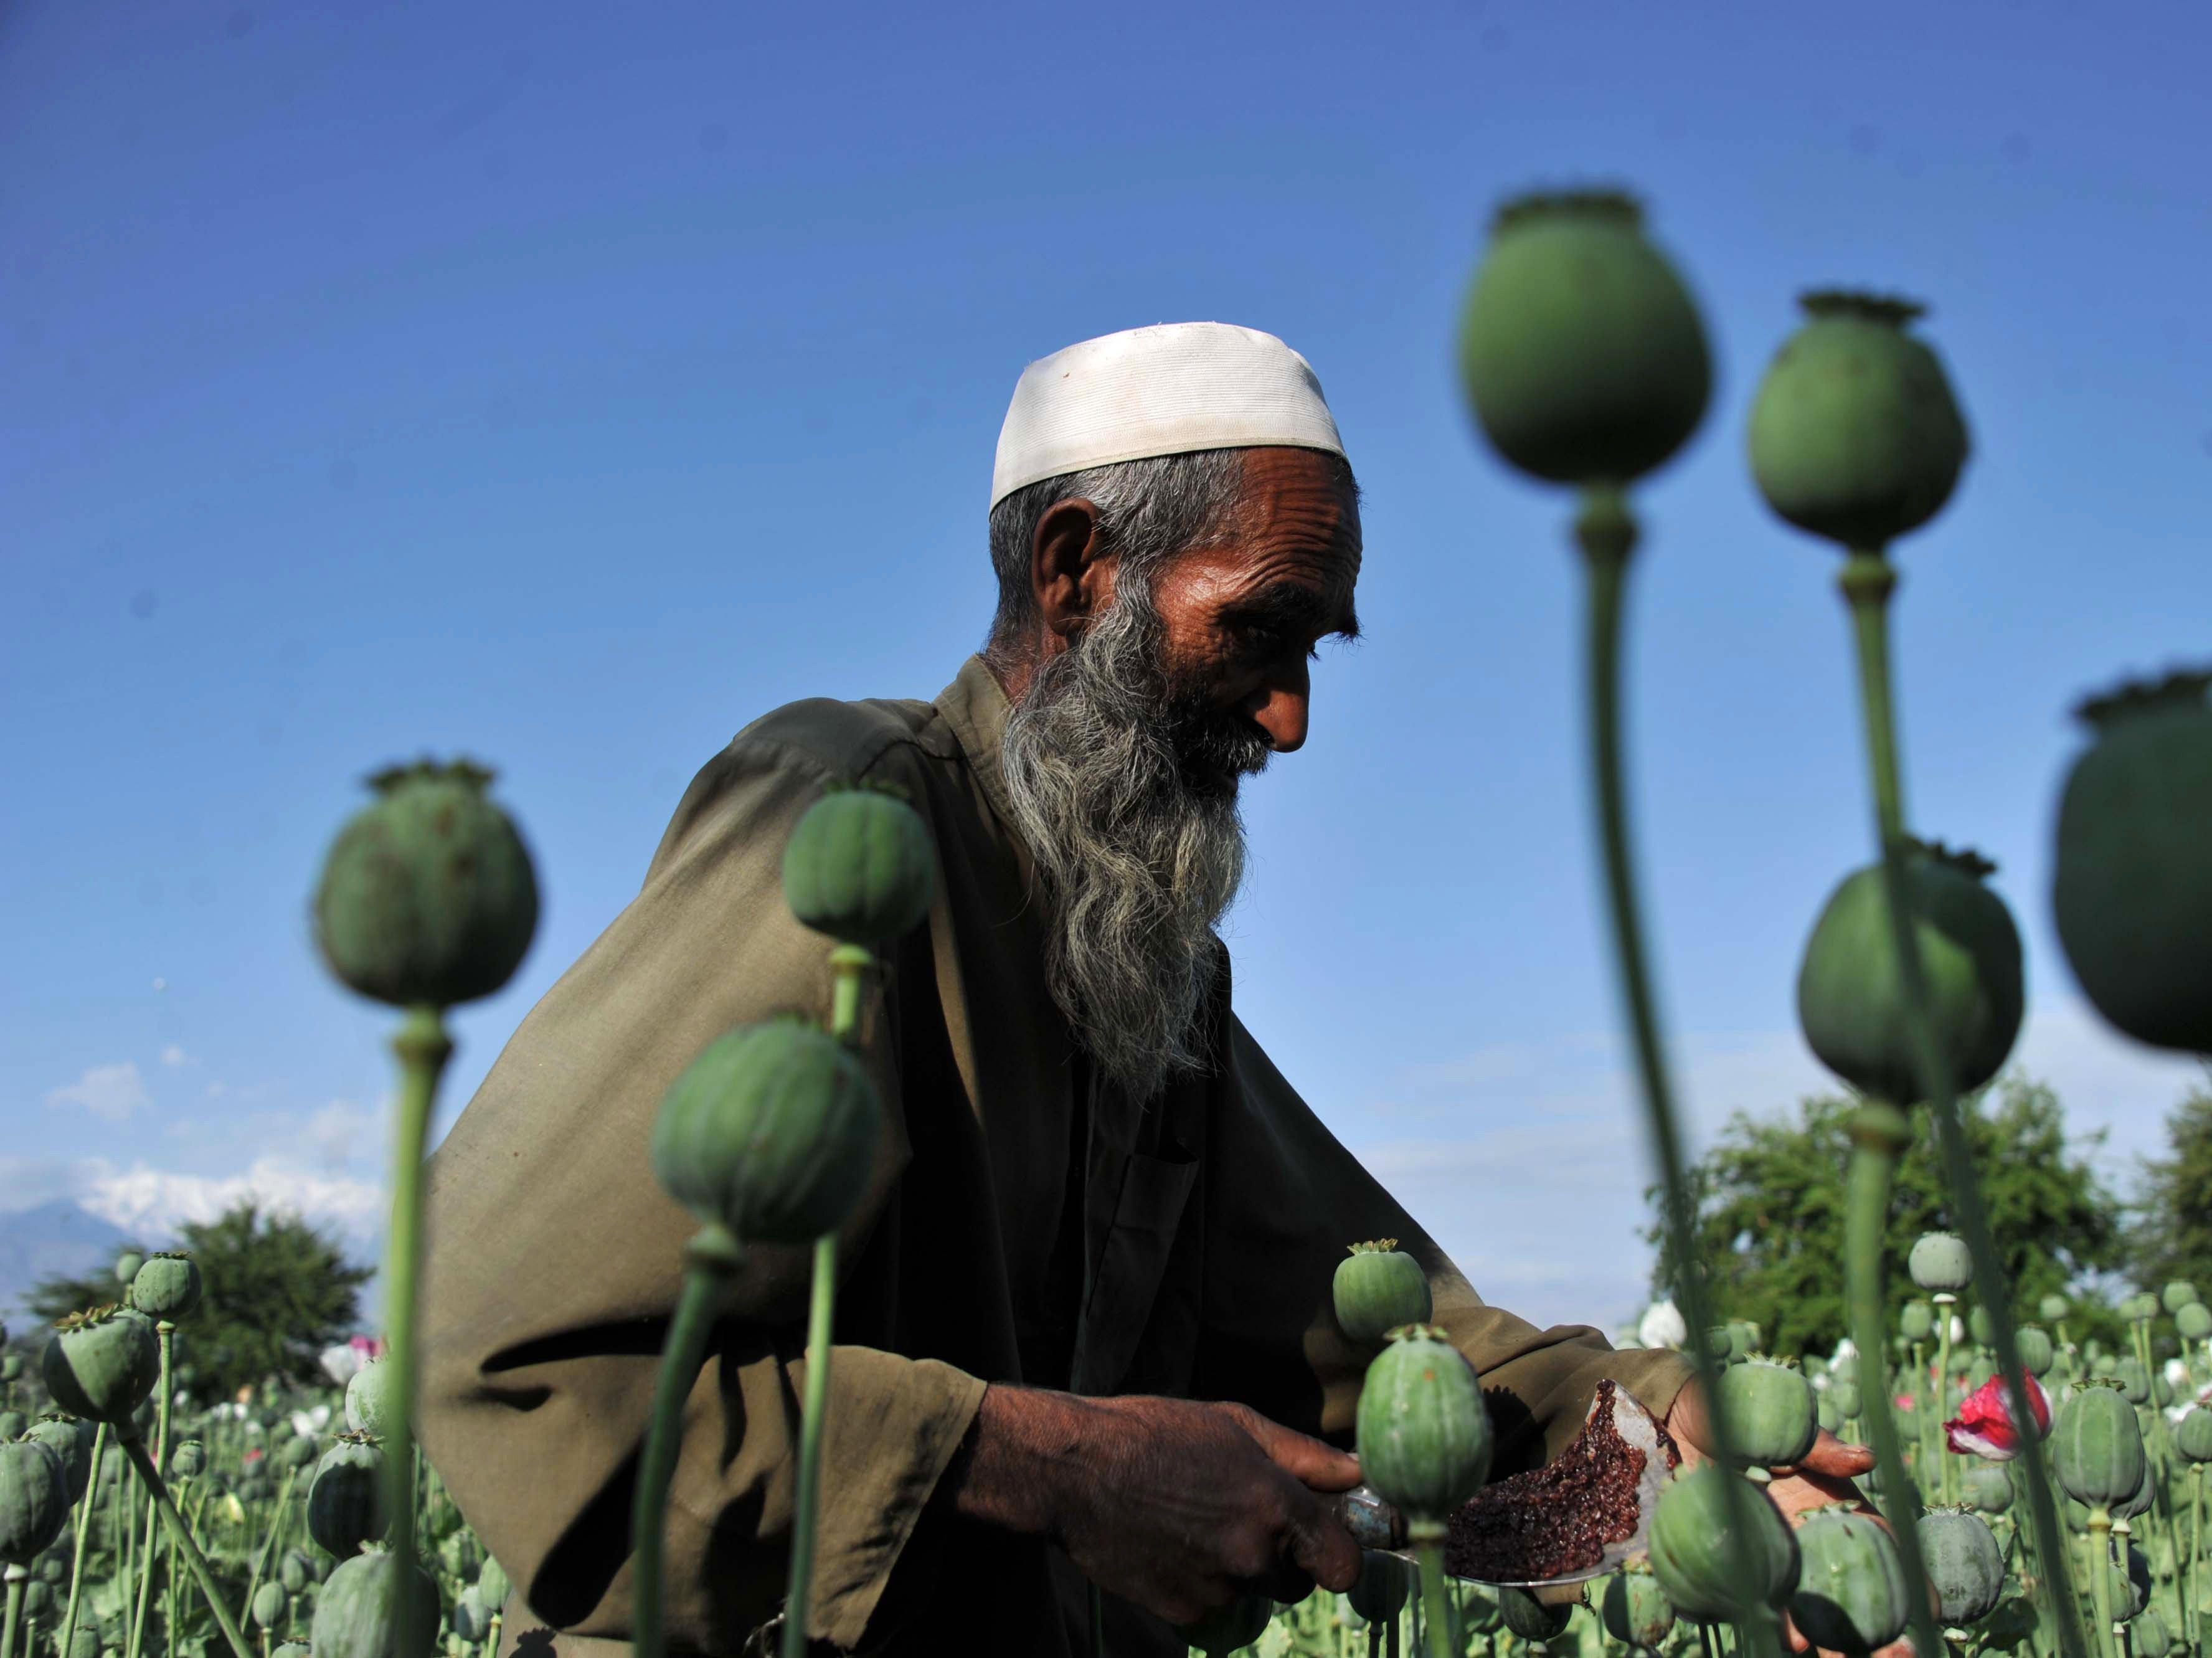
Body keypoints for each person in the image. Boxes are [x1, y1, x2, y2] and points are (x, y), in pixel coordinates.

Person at [417, 323, 1873, 1657]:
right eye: (1262, 627)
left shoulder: (1140, 953)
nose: (1293, 720)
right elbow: (514, 1356)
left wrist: (1660, 1432)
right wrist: (1049, 1461)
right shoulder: (851, 823)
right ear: (1076, 569)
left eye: (1314, 649)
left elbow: (1374, 1335)